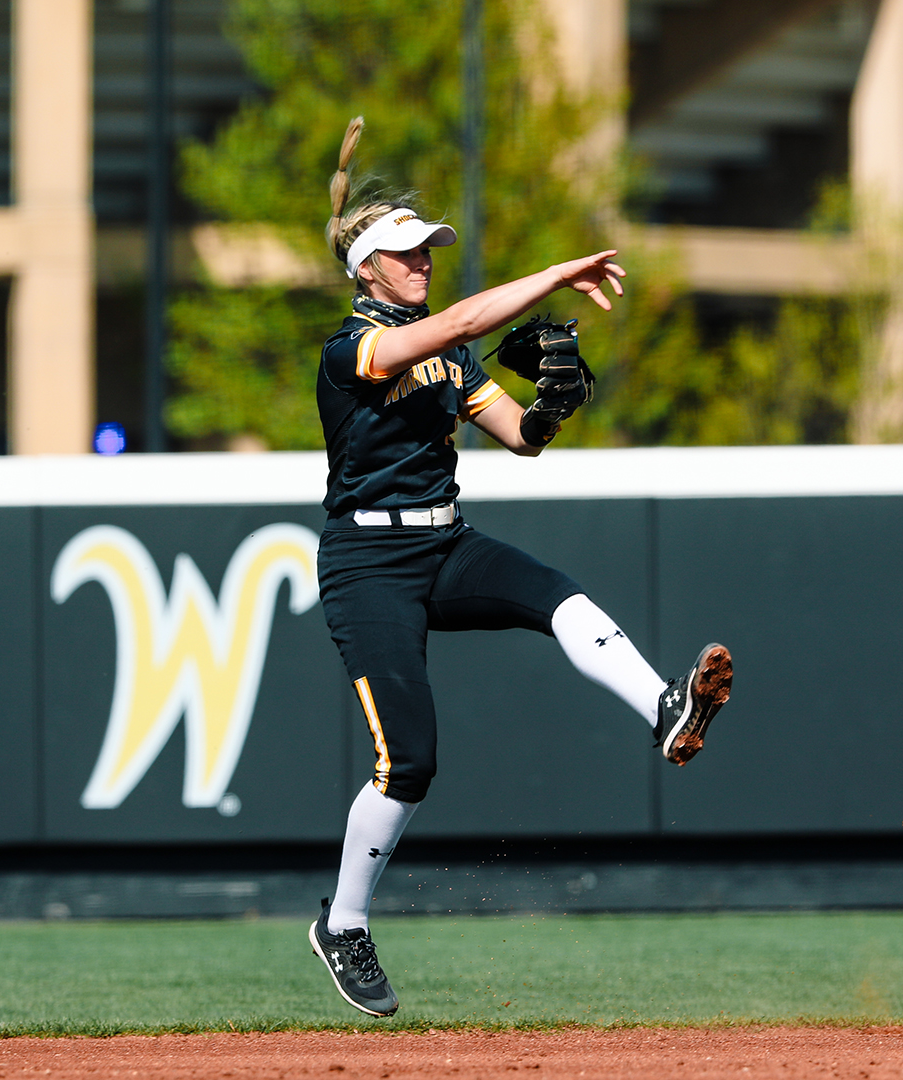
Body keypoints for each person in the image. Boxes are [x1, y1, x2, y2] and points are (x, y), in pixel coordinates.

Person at [305, 118, 735, 1018]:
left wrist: (553, 403)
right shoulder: (353, 351)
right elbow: (461, 320)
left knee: (559, 596)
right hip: (368, 561)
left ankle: (666, 709)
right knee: (409, 762)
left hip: (444, 542)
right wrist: (553, 275)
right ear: (367, 271)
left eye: (428, 250)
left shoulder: (449, 355)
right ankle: (343, 922)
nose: (423, 262)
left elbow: (521, 441)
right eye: (406, 253)